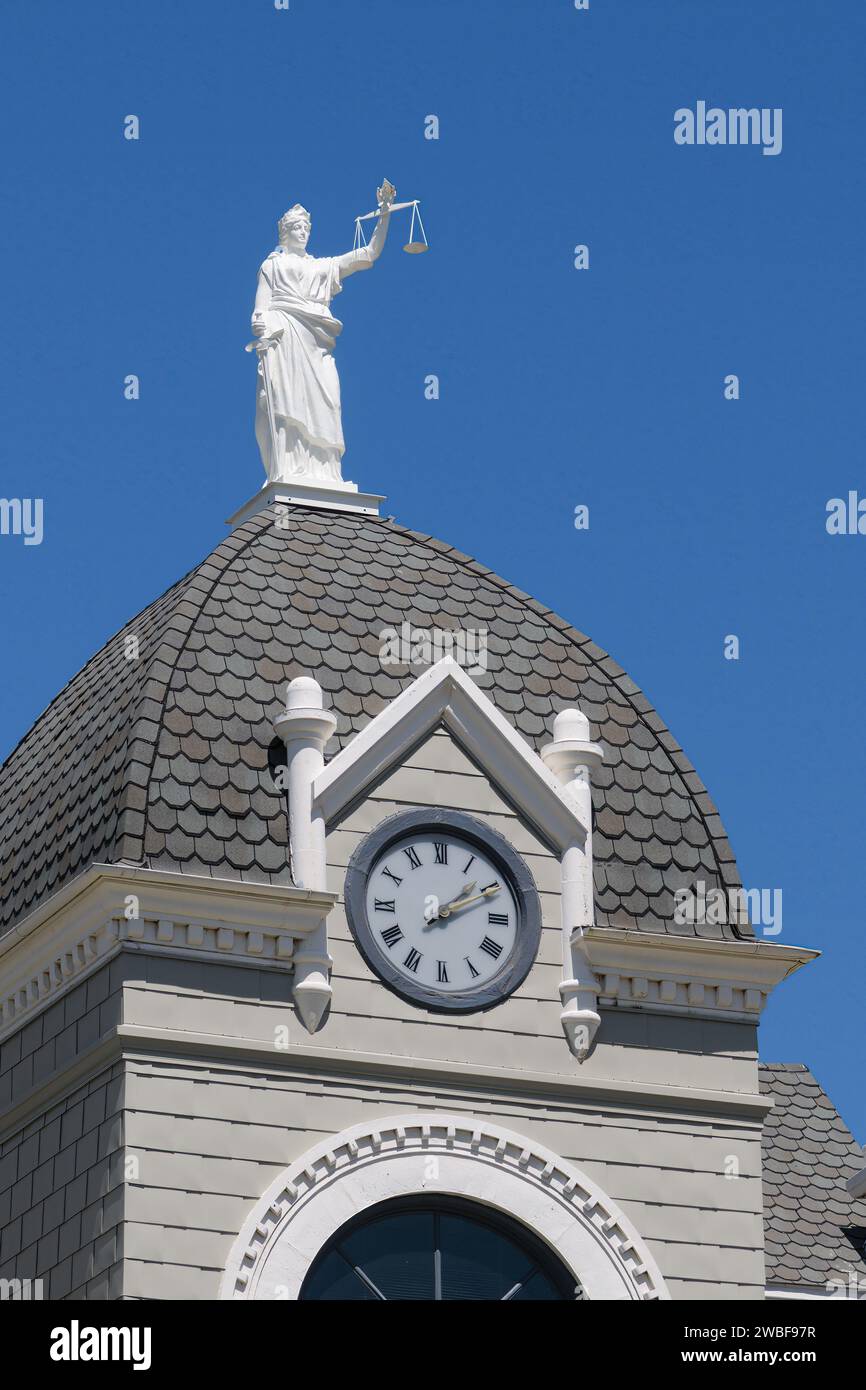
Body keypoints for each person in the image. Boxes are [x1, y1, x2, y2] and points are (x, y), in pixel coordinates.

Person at [251, 181, 395, 483]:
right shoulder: (272, 265)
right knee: (282, 398)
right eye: (297, 228)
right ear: (285, 232)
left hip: (316, 345)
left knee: (327, 399)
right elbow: (260, 308)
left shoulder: (323, 268)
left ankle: (325, 470)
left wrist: (384, 215)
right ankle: (288, 468)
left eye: (306, 228)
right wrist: (259, 322)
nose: (303, 232)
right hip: (285, 337)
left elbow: (368, 255)